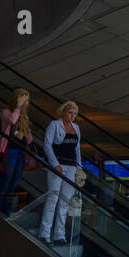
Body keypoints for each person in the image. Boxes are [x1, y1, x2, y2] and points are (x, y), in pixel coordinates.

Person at [39, 101, 82, 244]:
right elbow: (47, 144)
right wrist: (55, 164)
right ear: (63, 112)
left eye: (75, 114)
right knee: (53, 198)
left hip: (71, 166)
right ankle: (45, 233)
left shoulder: (76, 127)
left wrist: (79, 166)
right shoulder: (54, 125)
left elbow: (77, 149)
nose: (72, 116)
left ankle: (60, 234)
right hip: (58, 164)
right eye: (70, 113)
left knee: (65, 201)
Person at [0, 88, 33, 215]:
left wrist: (25, 133)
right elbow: (11, 121)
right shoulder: (7, 111)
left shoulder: (25, 117)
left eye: (26, 100)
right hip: (10, 150)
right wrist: (19, 106)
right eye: (23, 99)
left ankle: (6, 210)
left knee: (13, 183)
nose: (26, 103)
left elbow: (30, 140)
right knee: (6, 180)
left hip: (21, 152)